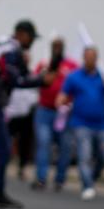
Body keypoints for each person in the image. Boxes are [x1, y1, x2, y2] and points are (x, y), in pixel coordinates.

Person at [0, 20, 53, 209]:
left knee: (3, 148)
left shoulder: (12, 51)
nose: (32, 42)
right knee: (3, 147)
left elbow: (23, 76)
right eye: (31, 37)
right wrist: (41, 81)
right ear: (21, 34)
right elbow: (16, 80)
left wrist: (39, 78)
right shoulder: (9, 51)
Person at [57, 46, 104, 200]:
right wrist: (60, 102)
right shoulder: (74, 77)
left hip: (101, 124)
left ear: (96, 59)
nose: (90, 60)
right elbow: (62, 95)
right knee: (84, 155)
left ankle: (92, 176)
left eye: (93, 57)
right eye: (88, 57)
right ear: (84, 58)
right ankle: (87, 185)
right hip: (81, 123)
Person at [31, 36, 77, 191]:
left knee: (65, 146)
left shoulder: (71, 66)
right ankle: (41, 178)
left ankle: (60, 179)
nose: (57, 48)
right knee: (44, 143)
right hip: (44, 110)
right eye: (54, 45)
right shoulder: (44, 64)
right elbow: (35, 81)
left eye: (60, 45)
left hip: (63, 113)